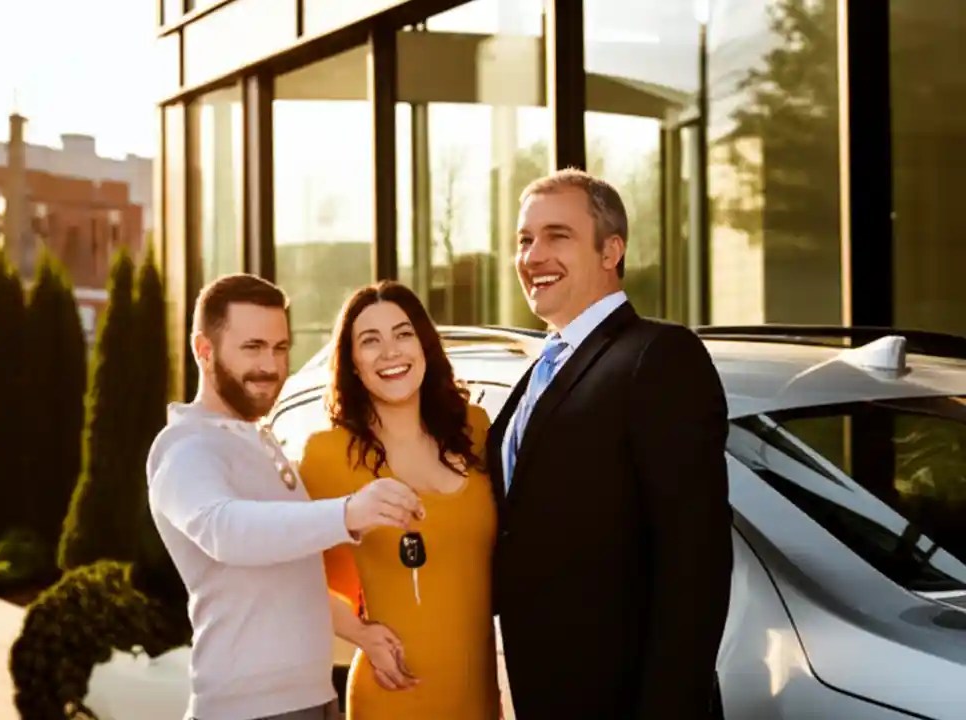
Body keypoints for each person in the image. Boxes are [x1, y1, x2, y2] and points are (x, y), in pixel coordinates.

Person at [490, 169, 732, 719]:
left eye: (558, 235)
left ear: (611, 250)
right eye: (524, 240)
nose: (533, 256)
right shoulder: (541, 371)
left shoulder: (658, 356)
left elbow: (697, 558)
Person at [146, 273, 426, 720]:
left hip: (312, 701)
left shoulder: (258, 440)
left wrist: (359, 631)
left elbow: (288, 575)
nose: (271, 366)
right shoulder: (185, 448)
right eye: (252, 347)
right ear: (203, 349)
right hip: (247, 711)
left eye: (279, 348)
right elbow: (227, 532)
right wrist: (349, 512)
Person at [298, 280, 500, 719]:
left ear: (424, 345)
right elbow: (290, 577)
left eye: (403, 334)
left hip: (480, 697)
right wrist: (360, 633)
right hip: (390, 698)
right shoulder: (327, 455)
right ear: (351, 362)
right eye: (370, 341)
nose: (390, 352)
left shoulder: (476, 430)